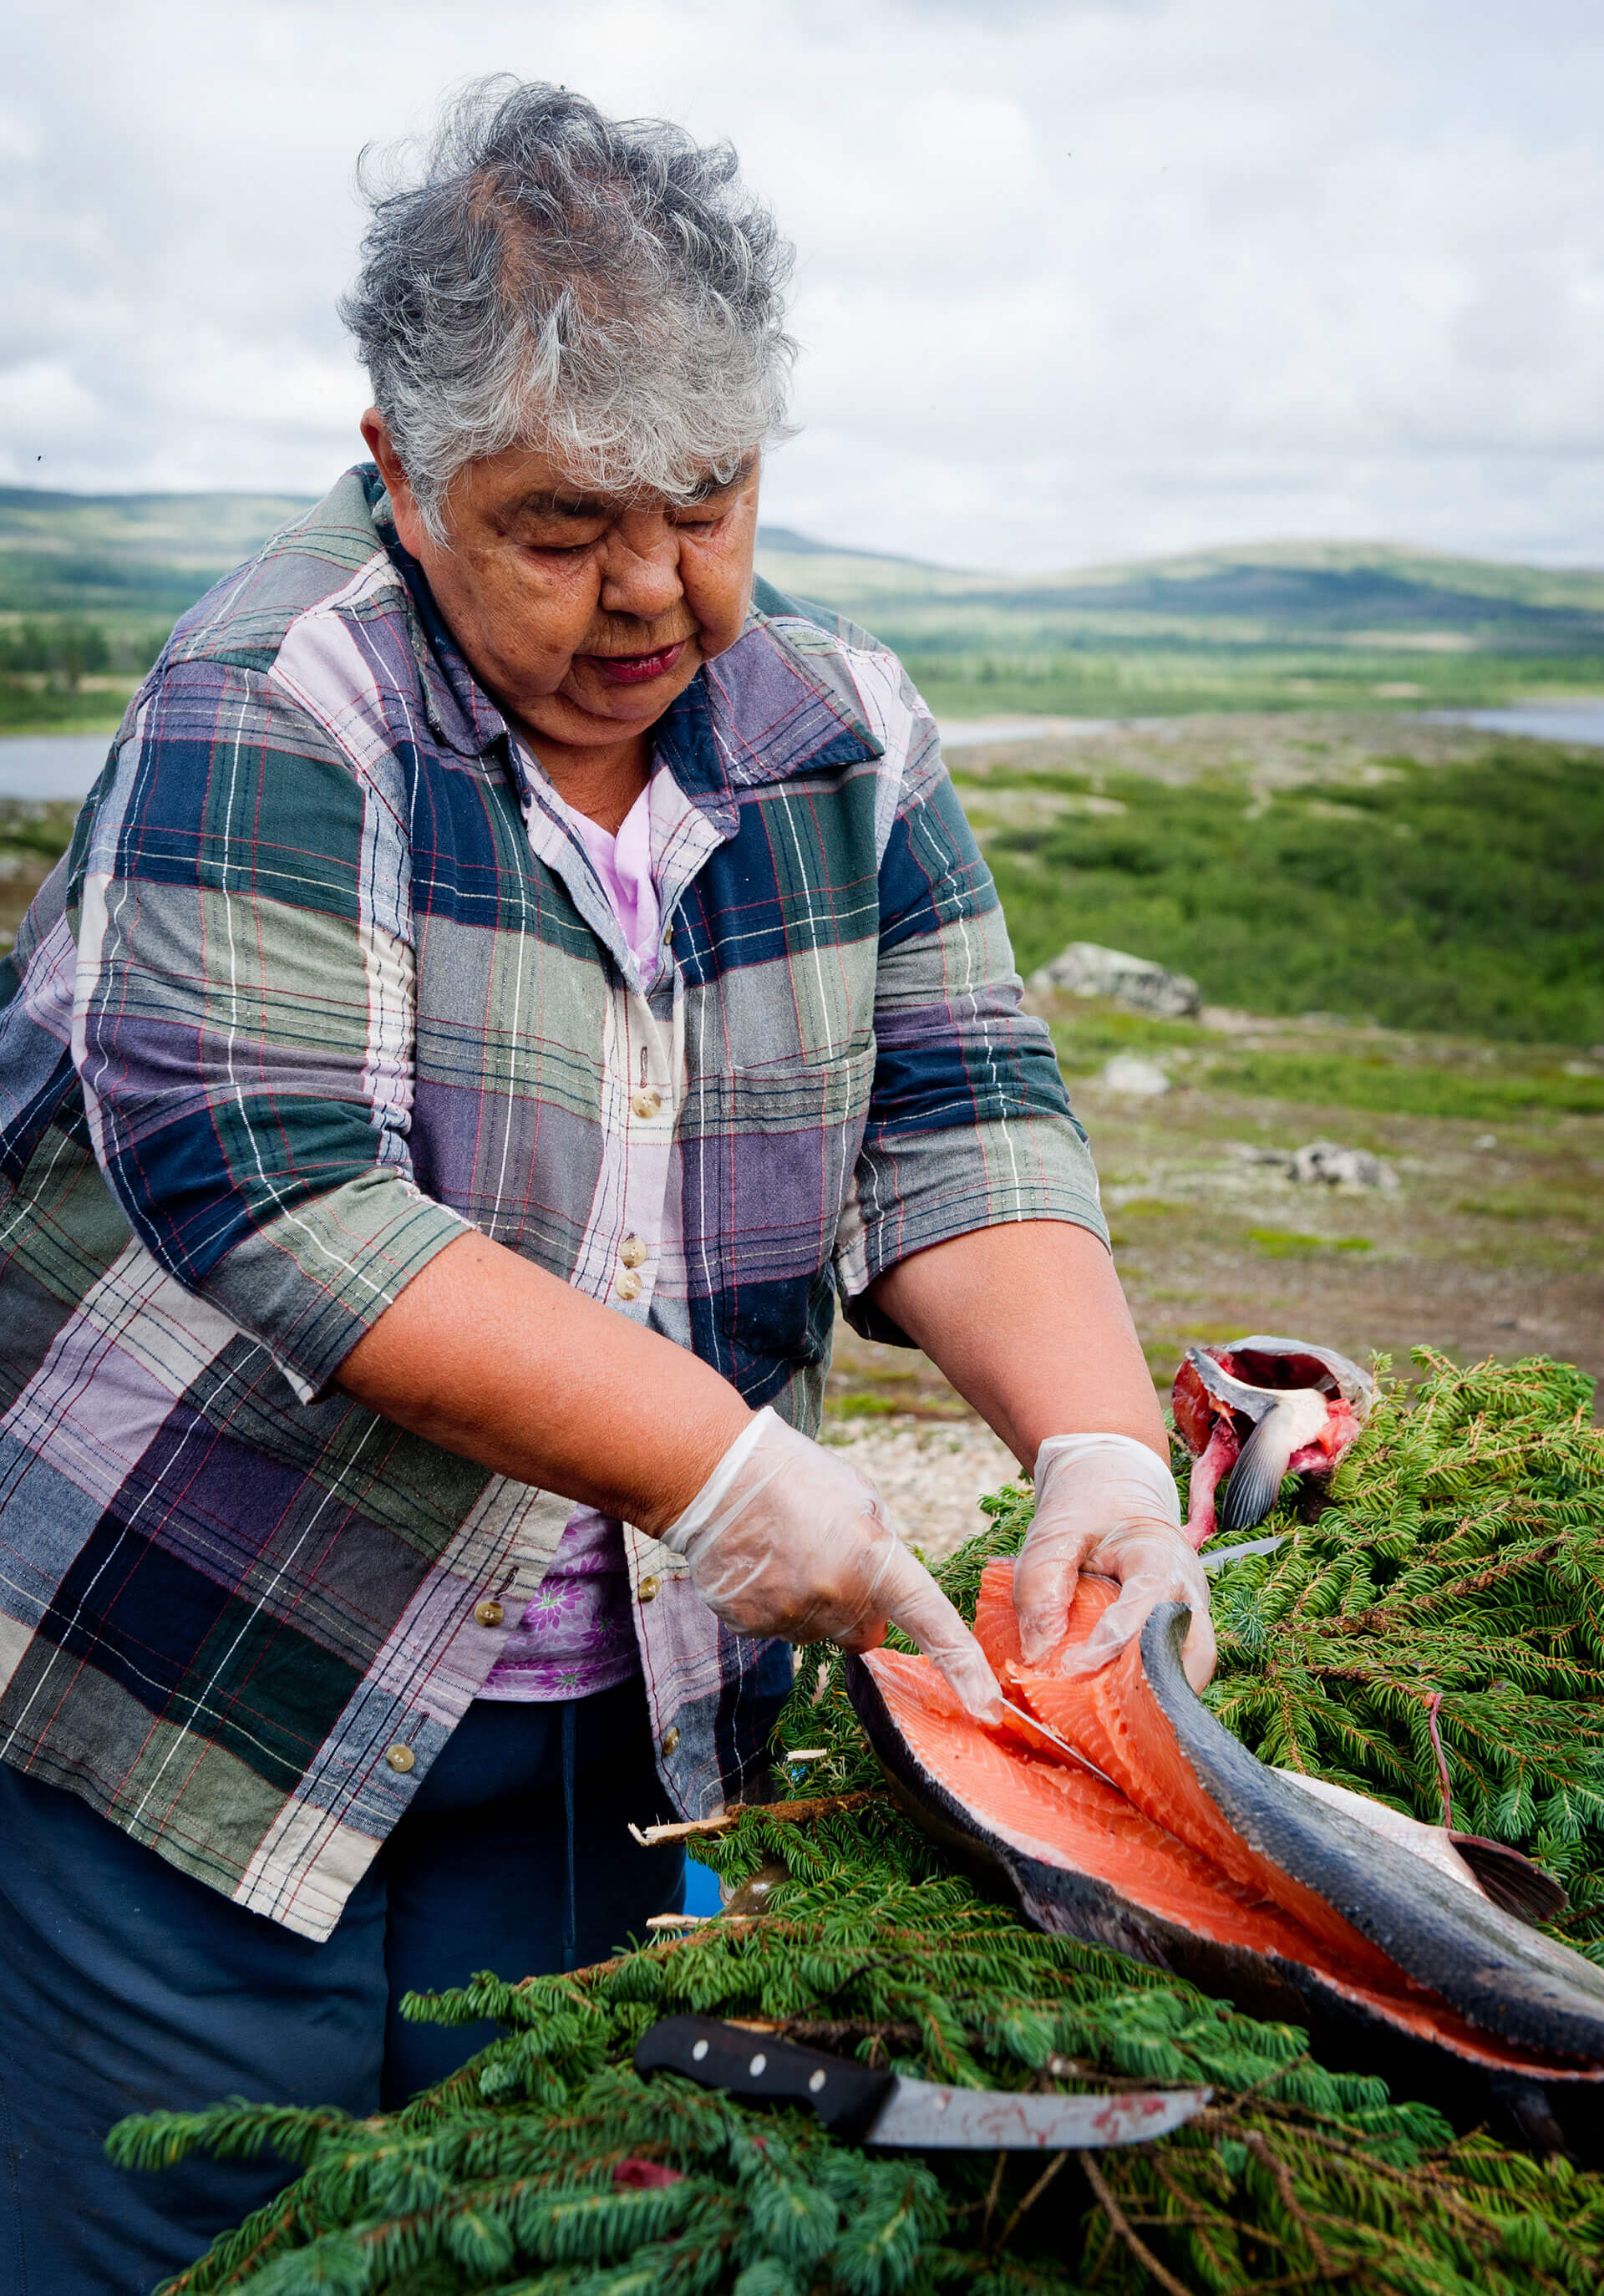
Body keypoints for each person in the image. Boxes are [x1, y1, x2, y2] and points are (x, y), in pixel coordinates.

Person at [0, 79, 1213, 2294]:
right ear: (397, 466)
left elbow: (967, 1113)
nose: (658, 587)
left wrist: (1103, 1448)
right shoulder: (276, 696)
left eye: (711, 497)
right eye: (563, 524)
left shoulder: (846, 734)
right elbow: (279, 1193)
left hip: (633, 1753)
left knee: (541, 2233)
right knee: (192, 2240)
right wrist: (735, 1472)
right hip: (207, 1702)